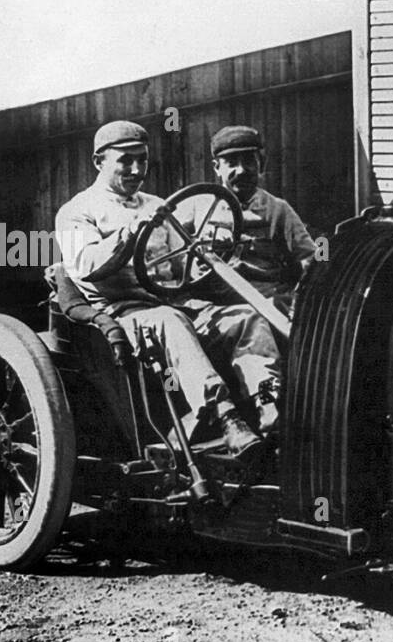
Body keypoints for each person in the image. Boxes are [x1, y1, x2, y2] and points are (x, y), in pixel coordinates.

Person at [54, 120, 271, 457]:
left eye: (142, 160)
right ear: (99, 162)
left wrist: (210, 250)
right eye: (125, 160)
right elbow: (85, 265)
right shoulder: (75, 212)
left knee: (246, 318)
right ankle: (226, 417)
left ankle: (270, 408)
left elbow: (180, 268)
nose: (137, 169)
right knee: (170, 320)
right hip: (123, 316)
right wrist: (129, 234)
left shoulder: (157, 204)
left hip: (177, 305)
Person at [177, 126, 317, 422]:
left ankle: (303, 407)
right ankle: (268, 405)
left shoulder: (278, 210)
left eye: (249, 161)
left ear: (261, 165)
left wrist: (307, 297)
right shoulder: (195, 206)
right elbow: (163, 254)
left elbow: (309, 259)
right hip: (215, 308)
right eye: (232, 163)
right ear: (217, 168)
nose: (242, 170)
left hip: (271, 300)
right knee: (252, 323)